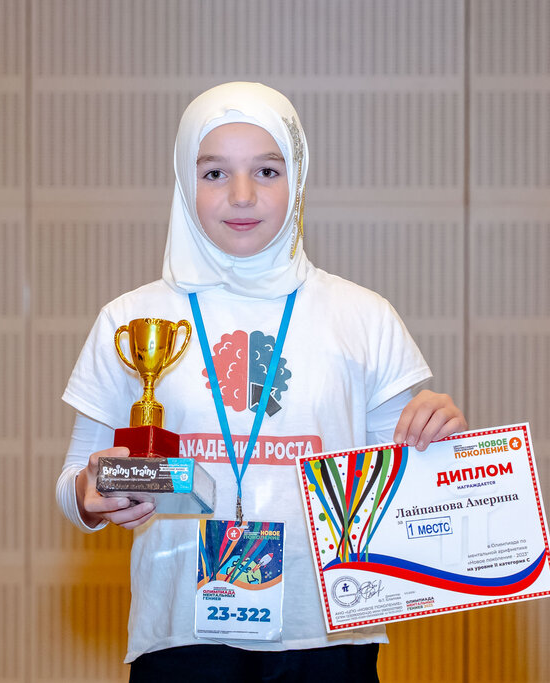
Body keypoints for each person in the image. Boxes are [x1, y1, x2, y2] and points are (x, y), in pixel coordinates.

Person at [56, 82, 467, 682]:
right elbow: (74, 484)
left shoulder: (364, 316)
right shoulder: (130, 318)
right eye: (215, 173)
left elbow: (404, 491)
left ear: (297, 179)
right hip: (182, 637)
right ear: (184, 181)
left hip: (329, 636)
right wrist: (93, 493)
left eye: (267, 171)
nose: (242, 195)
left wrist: (436, 439)